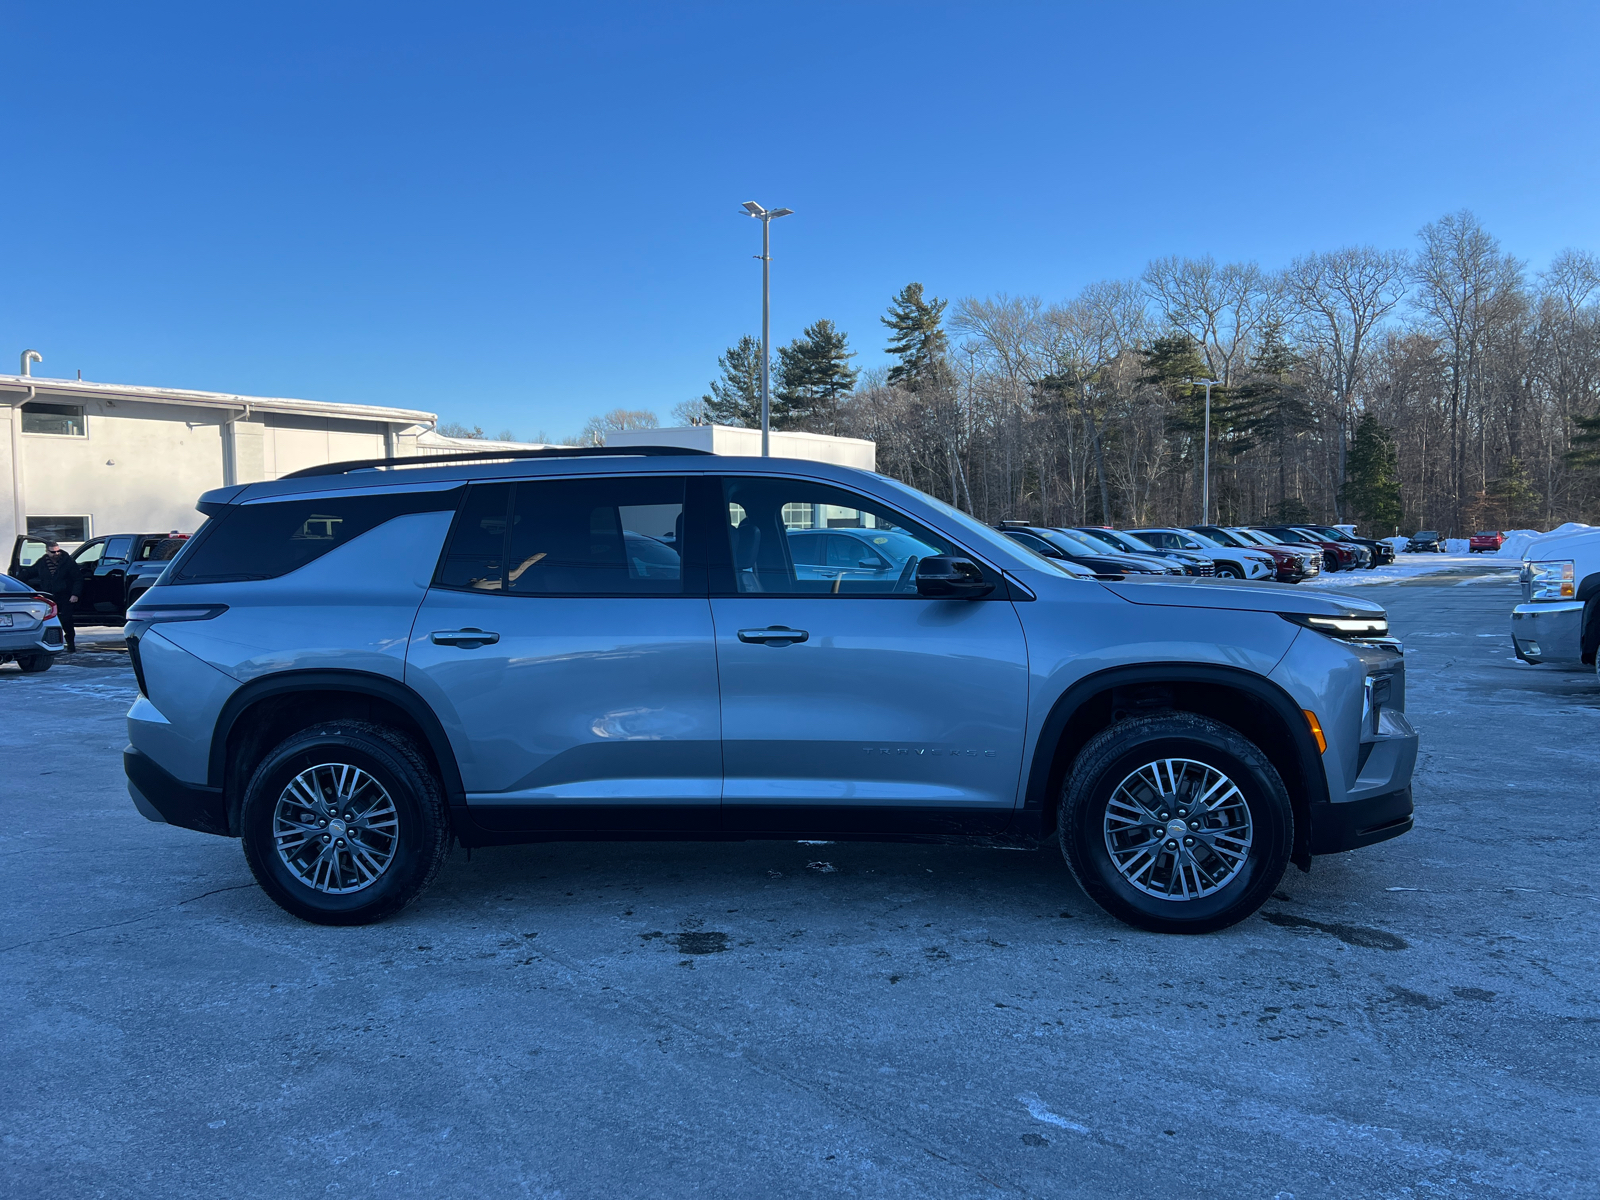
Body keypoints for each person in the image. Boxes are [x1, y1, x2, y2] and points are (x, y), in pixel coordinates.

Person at [26, 541, 82, 652]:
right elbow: (29, 573)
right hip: (49, 595)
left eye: (58, 551)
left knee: (66, 619)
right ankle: (50, 642)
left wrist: (75, 594)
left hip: (65, 595)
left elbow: (78, 579)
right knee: (48, 620)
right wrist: (14, 581)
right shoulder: (42, 563)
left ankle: (71, 642)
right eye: (53, 552)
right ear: (47, 551)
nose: (56, 554)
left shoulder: (68, 562)